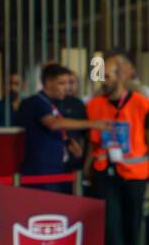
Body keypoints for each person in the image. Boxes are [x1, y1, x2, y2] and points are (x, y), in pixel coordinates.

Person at [87, 50, 149, 245]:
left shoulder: (142, 104)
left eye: (108, 75)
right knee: (111, 222)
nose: (103, 80)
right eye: (100, 76)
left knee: (133, 221)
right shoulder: (93, 106)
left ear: (121, 75)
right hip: (104, 171)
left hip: (136, 172)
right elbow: (89, 142)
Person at [17, 63, 112, 194]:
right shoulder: (35, 103)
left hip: (57, 169)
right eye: (61, 83)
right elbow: (54, 124)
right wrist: (93, 123)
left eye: (68, 83)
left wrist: (67, 142)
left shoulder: (52, 104)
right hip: (40, 171)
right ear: (48, 83)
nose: (66, 88)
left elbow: (54, 129)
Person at [58, 68, 91, 178]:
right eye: (64, 83)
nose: (68, 87)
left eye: (72, 83)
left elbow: (86, 134)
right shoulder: (53, 102)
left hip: (75, 159)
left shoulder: (79, 105)